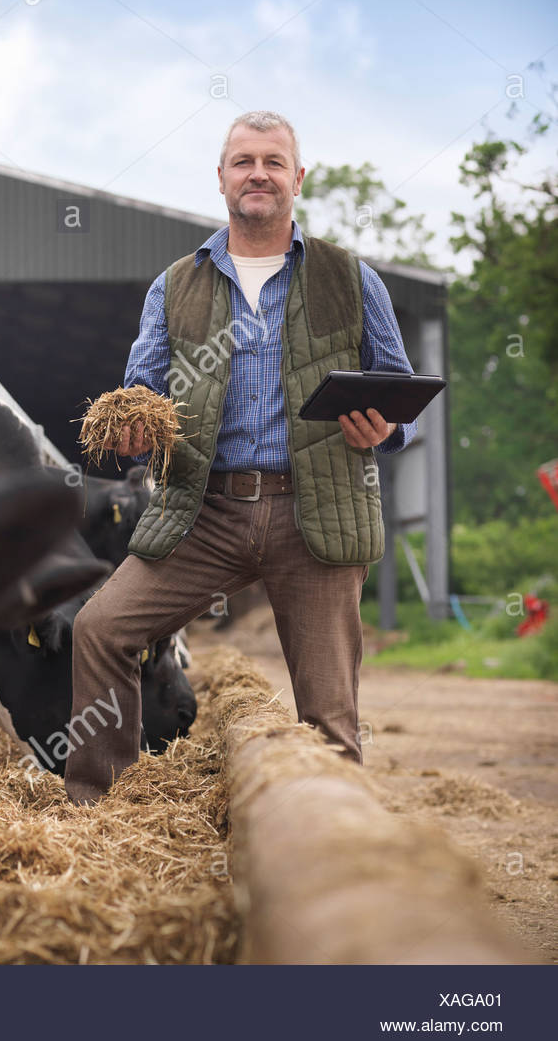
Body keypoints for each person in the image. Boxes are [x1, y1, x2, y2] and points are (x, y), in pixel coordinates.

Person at [65, 110, 417, 806]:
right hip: (205, 510)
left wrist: (384, 428)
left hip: (313, 509)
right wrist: (135, 428)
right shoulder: (175, 285)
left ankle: (336, 845)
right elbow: (145, 388)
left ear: (298, 178)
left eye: (274, 161)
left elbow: (398, 392)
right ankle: (99, 807)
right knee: (99, 628)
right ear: (222, 176)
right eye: (244, 161)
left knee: (328, 716)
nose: (259, 173)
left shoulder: (350, 279)